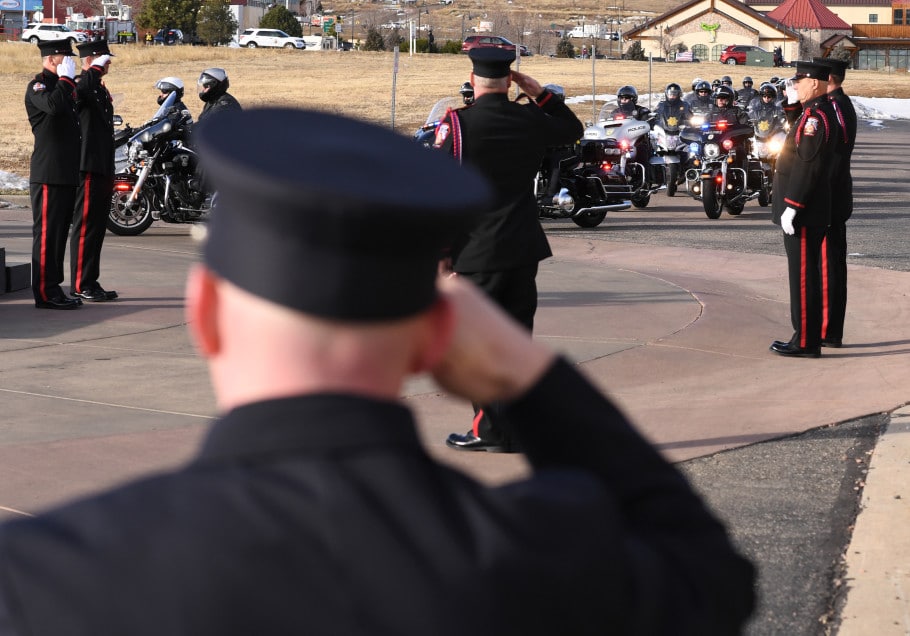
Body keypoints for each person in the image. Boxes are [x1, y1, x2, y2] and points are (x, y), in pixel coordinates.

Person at [0, 106, 756, 635]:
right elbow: (707, 576)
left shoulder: (45, 576)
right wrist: (528, 375)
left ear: (204, 313)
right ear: (436, 340)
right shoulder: (538, 553)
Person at [433, 48, 582, 452]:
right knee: (515, 342)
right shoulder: (530, 118)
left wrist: (442, 253)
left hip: (476, 251)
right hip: (521, 245)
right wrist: (541, 95)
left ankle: (491, 430)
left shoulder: (457, 126)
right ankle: (516, 427)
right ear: (509, 80)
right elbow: (572, 129)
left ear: (472, 78)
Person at [770, 61, 840, 357]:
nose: (795, 85)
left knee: (802, 276)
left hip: (804, 210)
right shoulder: (813, 112)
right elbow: (795, 137)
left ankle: (805, 341)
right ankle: (805, 336)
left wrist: (792, 206)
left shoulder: (816, 118)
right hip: (808, 208)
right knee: (805, 274)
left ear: (815, 83)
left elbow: (807, 165)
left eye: (799, 81)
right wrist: (790, 104)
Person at [25, 40, 83, 310]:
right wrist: (66, 80)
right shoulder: (39, 86)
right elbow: (53, 106)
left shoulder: (64, 85)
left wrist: (69, 81)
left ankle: (55, 287)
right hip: (48, 173)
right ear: (51, 59)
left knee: (59, 234)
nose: (69, 62)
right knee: (47, 234)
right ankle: (45, 293)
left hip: (65, 172)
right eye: (64, 57)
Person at [68, 40, 118, 303]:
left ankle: (90, 280)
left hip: (102, 164)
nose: (108, 63)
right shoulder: (83, 84)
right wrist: (92, 71)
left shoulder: (97, 88)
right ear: (91, 60)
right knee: (86, 226)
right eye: (103, 59)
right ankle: (80, 283)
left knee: (97, 227)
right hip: (87, 165)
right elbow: (78, 92)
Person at [813, 56, 857, 348]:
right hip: (831, 196)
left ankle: (830, 331)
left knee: (830, 267)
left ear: (828, 79)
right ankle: (827, 328)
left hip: (831, 197)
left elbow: (835, 155)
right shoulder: (834, 105)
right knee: (826, 264)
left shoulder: (837, 107)